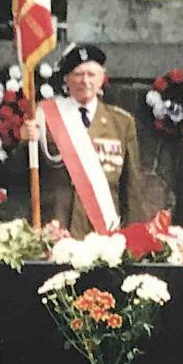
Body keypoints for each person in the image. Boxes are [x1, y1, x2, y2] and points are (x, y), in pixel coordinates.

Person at [27, 43, 145, 237]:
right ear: (66, 79)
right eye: (78, 74)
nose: (85, 81)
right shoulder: (45, 116)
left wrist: (133, 235)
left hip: (101, 231)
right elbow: (20, 174)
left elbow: (131, 186)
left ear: (102, 78)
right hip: (56, 229)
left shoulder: (121, 123)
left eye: (91, 74)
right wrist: (25, 140)